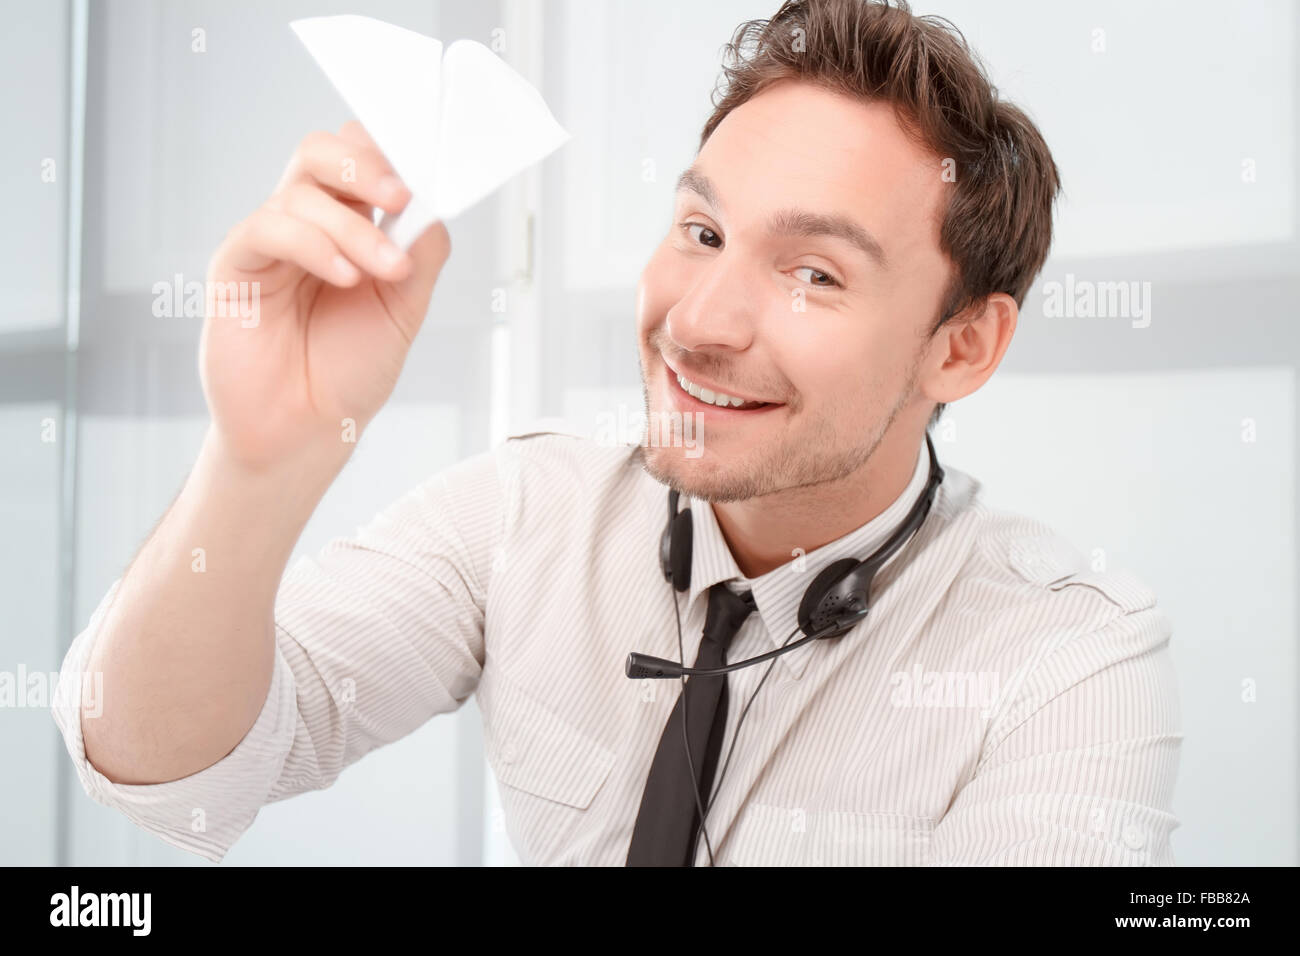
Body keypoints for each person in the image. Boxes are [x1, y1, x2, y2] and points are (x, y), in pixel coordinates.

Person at [53, 0, 1180, 866]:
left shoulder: (1067, 661)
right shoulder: (527, 515)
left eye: (814, 273)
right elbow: (169, 774)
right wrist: (258, 463)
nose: (697, 324)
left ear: (964, 348)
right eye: (702, 231)